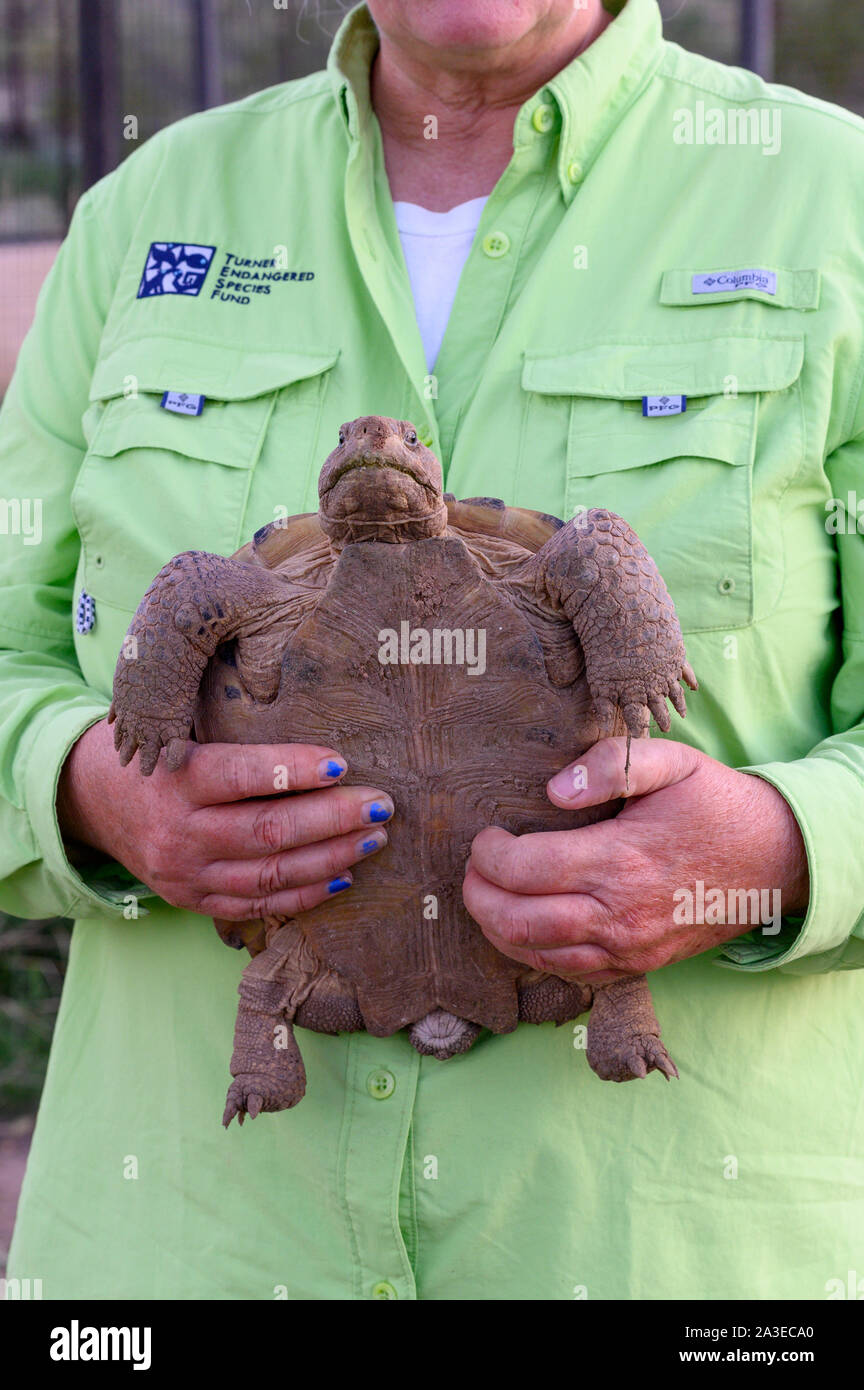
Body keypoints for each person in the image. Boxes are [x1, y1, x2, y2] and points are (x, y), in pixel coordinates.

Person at [3, 0, 863, 1300]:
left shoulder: (830, 205)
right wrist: (92, 794)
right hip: (184, 1259)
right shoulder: (147, 212)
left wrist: (776, 853)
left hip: (675, 1262)